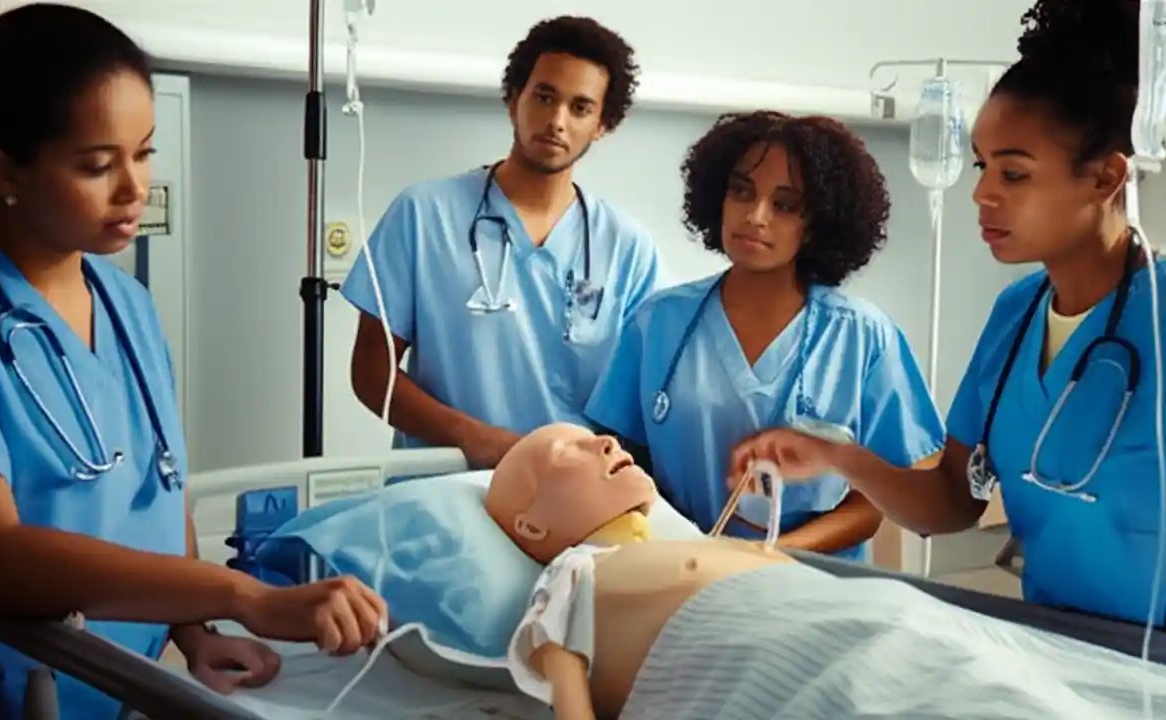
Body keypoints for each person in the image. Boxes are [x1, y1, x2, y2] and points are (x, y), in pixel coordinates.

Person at [0, 6, 384, 720]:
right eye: (97, 165)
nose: (133, 188)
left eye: (144, 153)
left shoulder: (126, 302)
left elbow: (158, 485)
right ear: (3, 169)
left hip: (120, 685)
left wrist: (193, 631)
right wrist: (240, 594)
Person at [731, 0, 1166, 625]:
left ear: (1105, 180)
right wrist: (837, 458)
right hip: (1053, 645)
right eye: (984, 165)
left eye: (1014, 174)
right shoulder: (1016, 315)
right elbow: (952, 501)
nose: (982, 193)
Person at [479, 423, 1166, 720]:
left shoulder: (687, 536)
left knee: (1018, 678)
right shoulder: (572, 574)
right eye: (563, 451)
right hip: (784, 660)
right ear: (533, 527)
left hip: (869, 616)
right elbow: (567, 691)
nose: (601, 439)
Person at [584, 111, 945, 562]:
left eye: (785, 205)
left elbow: (872, 504)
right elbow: (618, 464)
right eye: (741, 191)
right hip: (679, 570)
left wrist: (769, 554)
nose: (755, 216)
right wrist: (688, 549)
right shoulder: (658, 322)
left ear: (816, 223)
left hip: (814, 584)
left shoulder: (863, 338)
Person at [342, 15, 668, 469]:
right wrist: (470, 438)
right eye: (544, 96)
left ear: (602, 124)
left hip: (573, 498)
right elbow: (372, 375)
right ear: (514, 98)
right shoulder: (423, 214)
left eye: (580, 108)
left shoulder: (628, 249)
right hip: (446, 488)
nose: (556, 121)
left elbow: (644, 402)